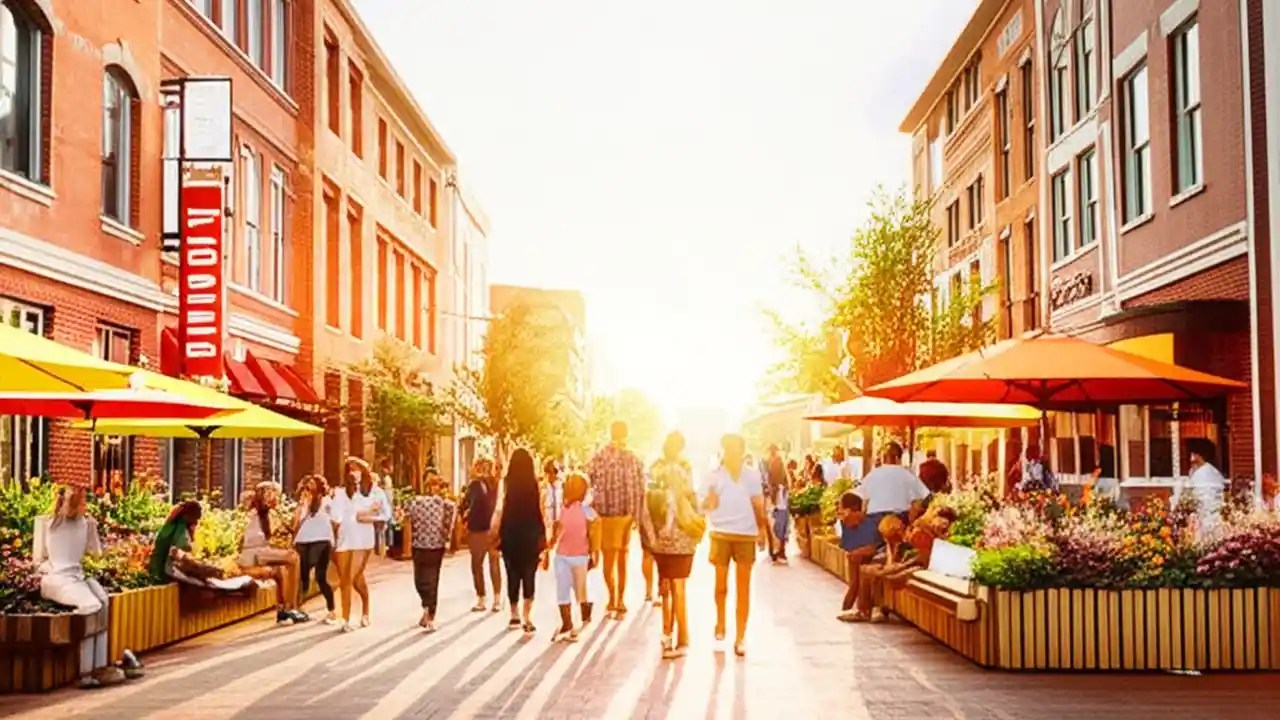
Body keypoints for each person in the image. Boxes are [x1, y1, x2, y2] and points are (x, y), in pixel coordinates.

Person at [699, 433, 768, 657]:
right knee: (721, 587)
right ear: (724, 451)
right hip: (720, 534)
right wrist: (708, 503)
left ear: (742, 451)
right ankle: (720, 623)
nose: (732, 454)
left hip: (745, 535)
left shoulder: (751, 476)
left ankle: (740, 636)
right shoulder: (714, 476)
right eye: (728, 450)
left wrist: (762, 530)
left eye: (736, 450)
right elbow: (702, 506)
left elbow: (759, 504)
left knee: (743, 588)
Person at [640, 431, 704, 660]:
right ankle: (681, 637)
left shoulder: (655, 468)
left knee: (666, 587)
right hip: (683, 539)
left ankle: (667, 634)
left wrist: (650, 539)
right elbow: (694, 501)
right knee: (679, 588)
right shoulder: (685, 467)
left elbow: (645, 507)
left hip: (662, 541)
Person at [586, 421, 646, 617]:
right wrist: (636, 515)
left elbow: (589, 479)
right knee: (623, 558)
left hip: (605, 515)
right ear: (626, 434)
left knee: (608, 560)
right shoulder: (634, 458)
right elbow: (640, 488)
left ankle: (612, 598)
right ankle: (620, 599)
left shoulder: (600, 456)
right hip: (625, 515)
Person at [493, 448, 548, 632]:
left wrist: (495, 532)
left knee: (512, 574)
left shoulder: (506, 483)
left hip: (510, 533)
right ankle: (527, 616)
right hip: (531, 533)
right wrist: (544, 534)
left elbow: (500, 509)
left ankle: (514, 614)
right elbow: (540, 510)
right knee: (529, 575)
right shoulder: (534, 484)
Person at [238, 481, 308, 624]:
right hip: (253, 553)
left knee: (281, 571)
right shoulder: (256, 508)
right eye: (275, 495)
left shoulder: (269, 513)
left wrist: (300, 509)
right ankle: (292, 607)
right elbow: (247, 499)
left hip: (260, 552)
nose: (277, 498)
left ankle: (282, 611)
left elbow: (288, 529)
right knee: (293, 557)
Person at [331, 457, 387, 632]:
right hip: (344, 538)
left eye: (356, 469)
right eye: (350, 469)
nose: (353, 472)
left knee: (352, 577)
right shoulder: (341, 493)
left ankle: (364, 610)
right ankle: (345, 619)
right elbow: (336, 516)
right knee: (345, 579)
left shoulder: (375, 492)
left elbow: (385, 514)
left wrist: (368, 516)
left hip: (362, 539)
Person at [549, 471, 599, 642]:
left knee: (577, 591)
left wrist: (594, 553)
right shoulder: (567, 510)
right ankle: (569, 623)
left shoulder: (587, 512)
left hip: (576, 556)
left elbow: (593, 533)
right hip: (567, 555)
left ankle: (577, 618)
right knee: (567, 590)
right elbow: (559, 531)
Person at [407, 473, 458, 632]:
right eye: (433, 485)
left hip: (436, 545)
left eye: (438, 485)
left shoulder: (446, 505)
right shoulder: (416, 502)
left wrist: (447, 538)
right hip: (419, 544)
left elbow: (450, 522)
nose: (435, 489)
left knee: (432, 579)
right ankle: (426, 607)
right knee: (419, 581)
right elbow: (407, 517)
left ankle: (430, 614)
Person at [293, 475, 337, 625]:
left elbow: (335, 520)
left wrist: (335, 541)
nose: (309, 487)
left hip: (322, 540)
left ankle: (332, 610)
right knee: (302, 575)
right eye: (307, 485)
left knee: (320, 576)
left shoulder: (327, 501)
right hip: (303, 540)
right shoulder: (304, 502)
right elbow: (297, 521)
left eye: (312, 484)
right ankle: (296, 608)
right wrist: (302, 503)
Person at [461, 457, 502, 612]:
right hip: (484, 529)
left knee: (487, 564)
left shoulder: (492, 484)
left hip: (486, 529)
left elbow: (465, 505)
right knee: (482, 564)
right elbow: (465, 504)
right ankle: (486, 598)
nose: (482, 470)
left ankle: (489, 598)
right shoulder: (487, 485)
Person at [835, 492, 877, 620]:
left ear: (851, 510)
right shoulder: (846, 523)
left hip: (876, 555)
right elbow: (847, 547)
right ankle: (848, 608)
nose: (840, 514)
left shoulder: (870, 523)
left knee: (862, 567)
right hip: (858, 556)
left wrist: (859, 552)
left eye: (842, 510)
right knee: (854, 562)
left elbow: (874, 548)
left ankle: (862, 609)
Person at [1175, 438, 1227, 538]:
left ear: (1198, 455)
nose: (1190, 458)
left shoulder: (1205, 474)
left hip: (1206, 521)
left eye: (1192, 454)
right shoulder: (1208, 471)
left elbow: (1198, 498)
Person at [763, 446, 790, 562]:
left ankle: (778, 550)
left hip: (779, 503)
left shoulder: (774, 464)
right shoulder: (773, 464)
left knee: (779, 528)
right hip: (778, 503)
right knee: (779, 528)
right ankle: (778, 550)